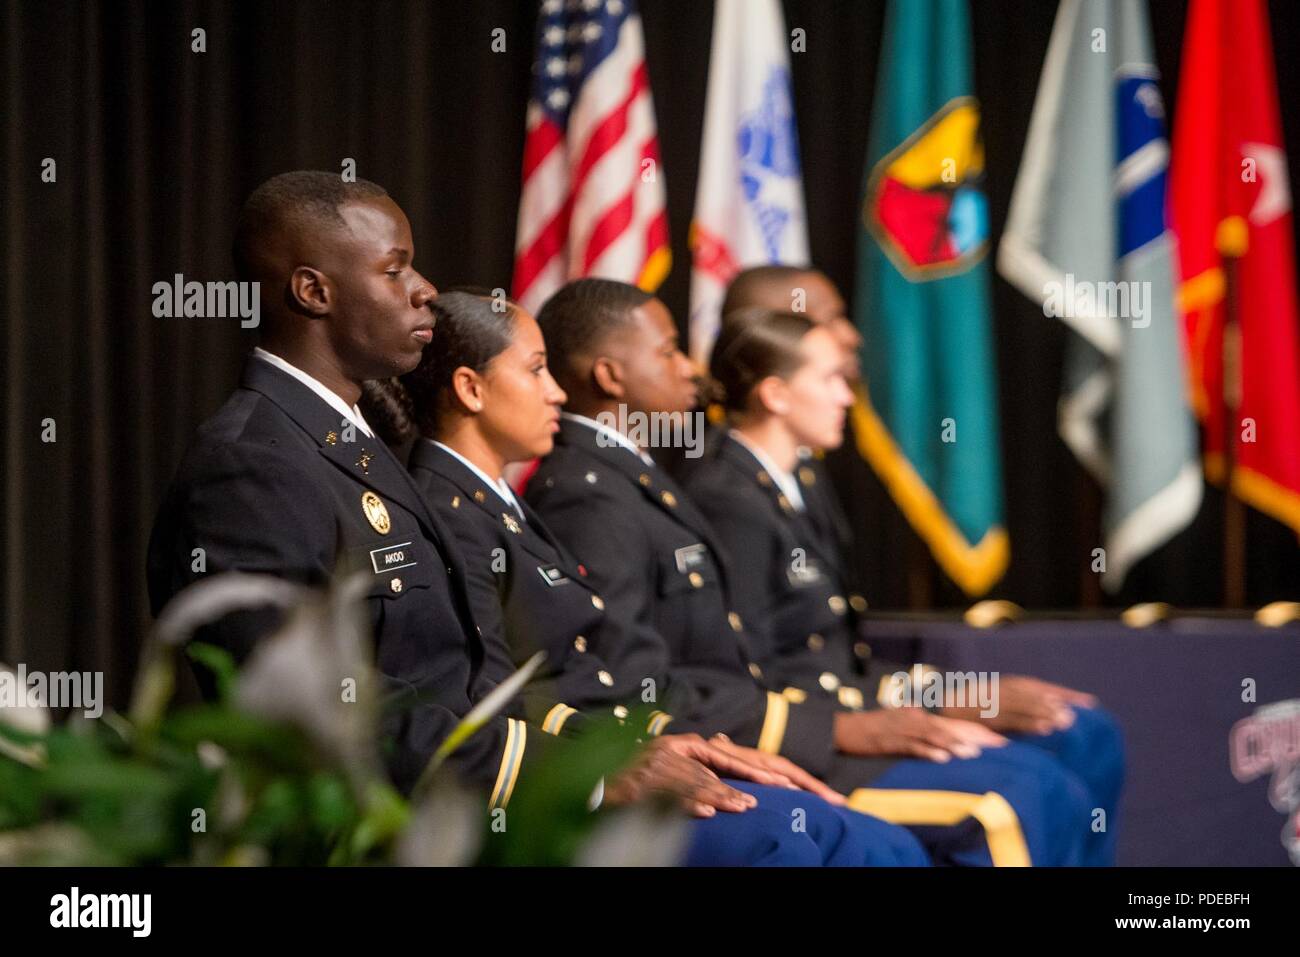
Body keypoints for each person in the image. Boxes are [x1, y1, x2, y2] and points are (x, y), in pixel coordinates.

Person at [144, 172, 914, 866]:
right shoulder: (256, 463)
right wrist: (581, 770)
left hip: (486, 794)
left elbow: (468, 681)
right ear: (313, 292)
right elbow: (309, 724)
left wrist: (619, 743)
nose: (423, 289)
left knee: (818, 827)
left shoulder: (358, 449)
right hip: (412, 828)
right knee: (797, 839)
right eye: (394, 269)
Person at [525, 278, 1093, 865]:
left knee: (1058, 760)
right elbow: (634, 678)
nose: (689, 369)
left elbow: (786, 651)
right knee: (1004, 803)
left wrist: (927, 694)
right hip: (737, 735)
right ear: (611, 377)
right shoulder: (596, 496)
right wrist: (839, 727)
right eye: (668, 351)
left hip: (764, 721)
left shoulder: (643, 480)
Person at [363, 289, 929, 866]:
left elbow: (583, 670)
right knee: (792, 836)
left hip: (624, 737)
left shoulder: (502, 503)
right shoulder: (460, 508)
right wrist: (617, 753)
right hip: (534, 785)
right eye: (536, 371)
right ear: (470, 389)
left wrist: (655, 738)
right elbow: (491, 692)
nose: (557, 391)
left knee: (859, 837)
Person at [715, 270, 1126, 864]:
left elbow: (835, 651)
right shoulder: (728, 498)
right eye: (828, 365)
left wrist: (945, 690)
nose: (849, 384)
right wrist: (919, 705)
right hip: (811, 738)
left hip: (852, 703)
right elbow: (750, 672)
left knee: (1083, 732)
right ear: (774, 382)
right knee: (1029, 792)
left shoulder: (800, 476)